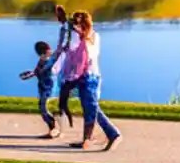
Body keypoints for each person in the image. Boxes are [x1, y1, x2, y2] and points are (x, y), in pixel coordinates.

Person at [63, 11, 123, 151]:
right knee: (91, 108)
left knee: (91, 108)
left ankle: (111, 135)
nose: (74, 26)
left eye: (76, 23)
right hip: (88, 76)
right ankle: (91, 138)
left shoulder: (87, 37)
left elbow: (83, 56)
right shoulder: (91, 36)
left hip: (89, 76)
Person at [19, 40, 61, 138]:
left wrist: (32, 74)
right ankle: (52, 128)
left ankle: (54, 128)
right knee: (42, 107)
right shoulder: (43, 60)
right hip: (43, 86)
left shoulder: (49, 60)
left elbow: (42, 70)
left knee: (43, 108)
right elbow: (37, 71)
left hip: (48, 87)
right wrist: (30, 74)